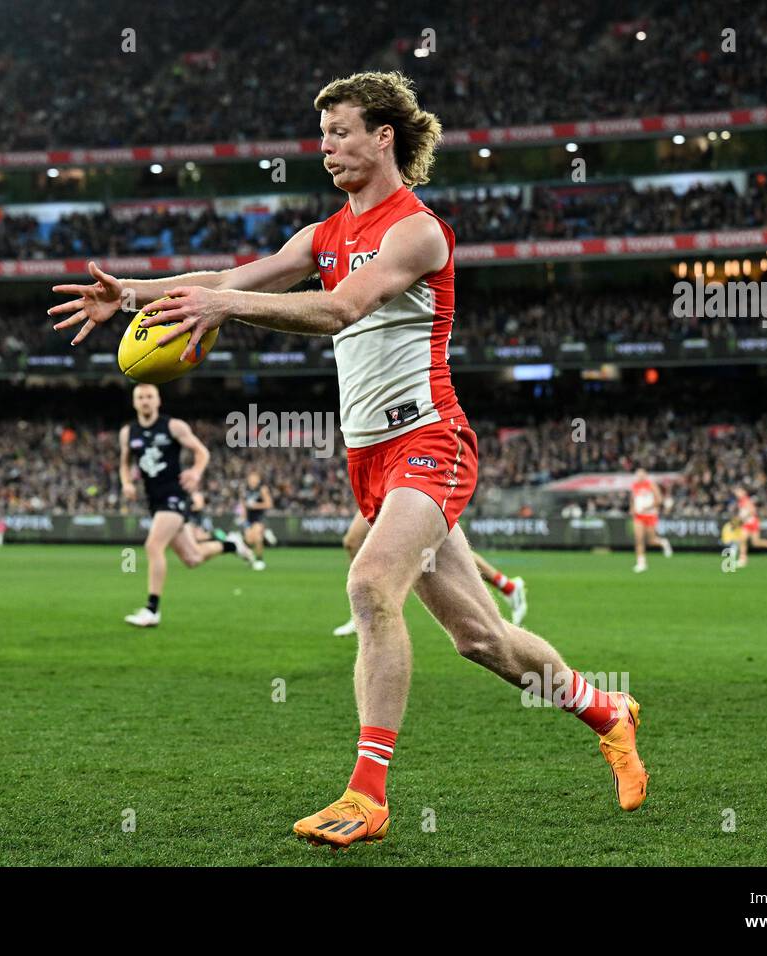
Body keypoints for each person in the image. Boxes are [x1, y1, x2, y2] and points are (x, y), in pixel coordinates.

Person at [50, 71, 647, 846]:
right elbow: (231, 279)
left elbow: (340, 308)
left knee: (367, 586)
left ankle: (368, 797)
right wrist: (129, 294)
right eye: (322, 134)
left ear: (383, 137)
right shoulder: (324, 234)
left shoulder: (418, 230)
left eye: (340, 132)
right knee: (482, 640)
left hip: (432, 442)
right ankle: (608, 712)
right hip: (368, 460)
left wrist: (224, 306)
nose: (326, 147)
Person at [119, 384, 255, 627]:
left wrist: (196, 471)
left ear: (158, 401)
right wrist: (126, 482)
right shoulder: (128, 432)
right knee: (192, 558)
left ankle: (152, 610)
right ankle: (231, 544)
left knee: (153, 546)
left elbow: (202, 452)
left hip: (175, 496)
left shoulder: (173, 426)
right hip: (154, 500)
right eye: (140, 397)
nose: (145, 401)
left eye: (150, 396)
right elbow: (124, 463)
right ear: (134, 402)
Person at [333, 512, 526, 633]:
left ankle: (369, 610)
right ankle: (508, 587)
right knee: (353, 541)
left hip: (410, 467)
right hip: (378, 468)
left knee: (434, 546)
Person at [630, 467, 672, 573]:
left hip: (650, 515)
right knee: (639, 539)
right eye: (638, 475)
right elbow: (632, 500)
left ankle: (663, 542)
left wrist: (647, 507)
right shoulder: (634, 486)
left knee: (651, 540)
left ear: (645, 475)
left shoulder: (651, 485)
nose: (639, 477)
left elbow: (659, 500)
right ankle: (641, 563)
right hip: (639, 516)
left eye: (641, 474)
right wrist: (632, 509)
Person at [732, 484, 767, 566]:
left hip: (753, 522)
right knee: (743, 539)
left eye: (739, 491)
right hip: (747, 523)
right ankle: (743, 560)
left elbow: (752, 511)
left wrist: (741, 518)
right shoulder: (741, 501)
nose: (737, 493)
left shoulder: (746, 500)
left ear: (744, 492)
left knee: (755, 542)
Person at [240, 471, 273, 570]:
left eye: (254, 479)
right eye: (250, 479)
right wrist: (243, 517)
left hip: (259, 517)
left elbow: (269, 504)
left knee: (257, 537)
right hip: (249, 518)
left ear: (258, 480)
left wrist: (255, 505)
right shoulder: (244, 489)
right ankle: (251, 558)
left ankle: (260, 559)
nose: (252, 481)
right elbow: (243, 505)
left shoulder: (262, 489)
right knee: (249, 540)